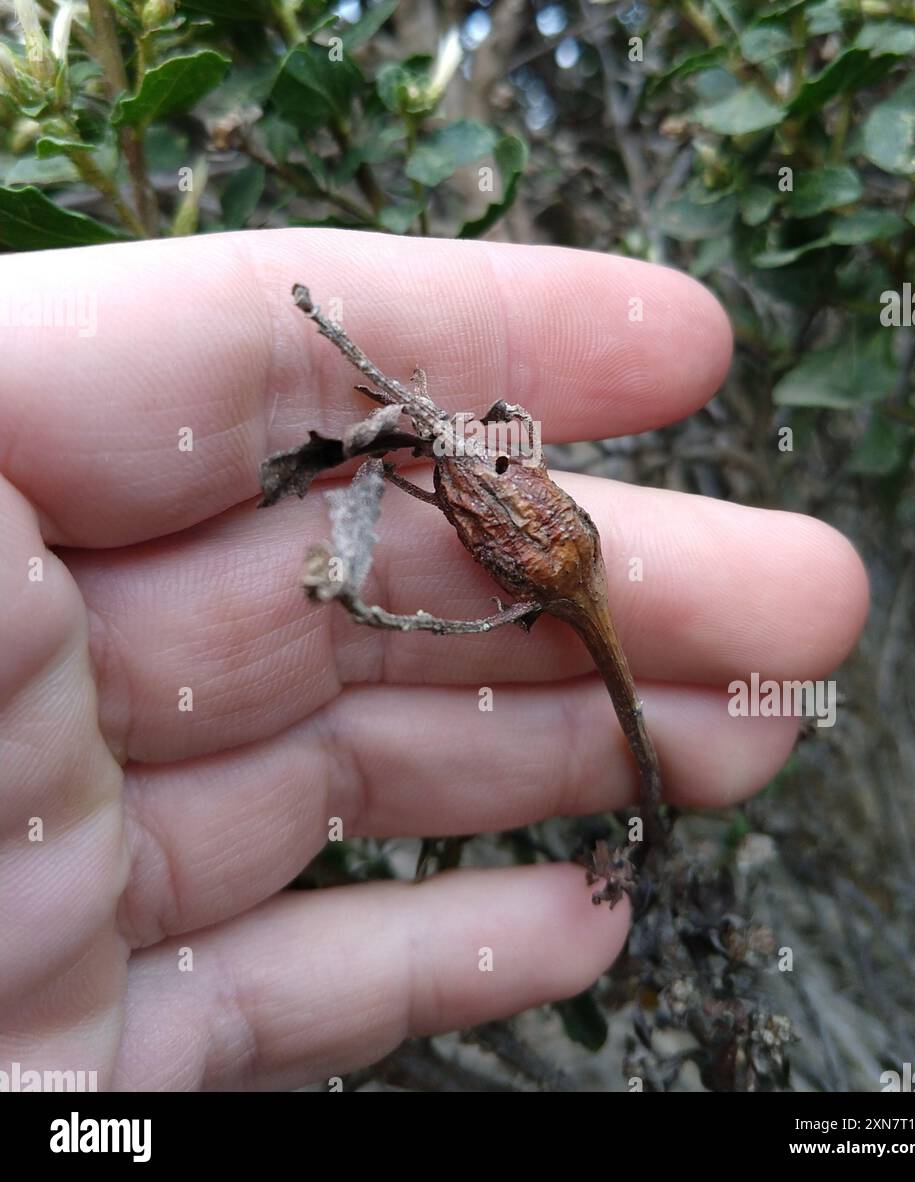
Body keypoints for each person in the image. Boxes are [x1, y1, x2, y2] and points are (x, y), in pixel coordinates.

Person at [0, 229, 868, 1090]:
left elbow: (484, 500)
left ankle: (657, 831)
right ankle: (653, 828)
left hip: (550, 563)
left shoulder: (482, 484)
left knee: (638, 709)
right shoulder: (461, 481)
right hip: (536, 559)